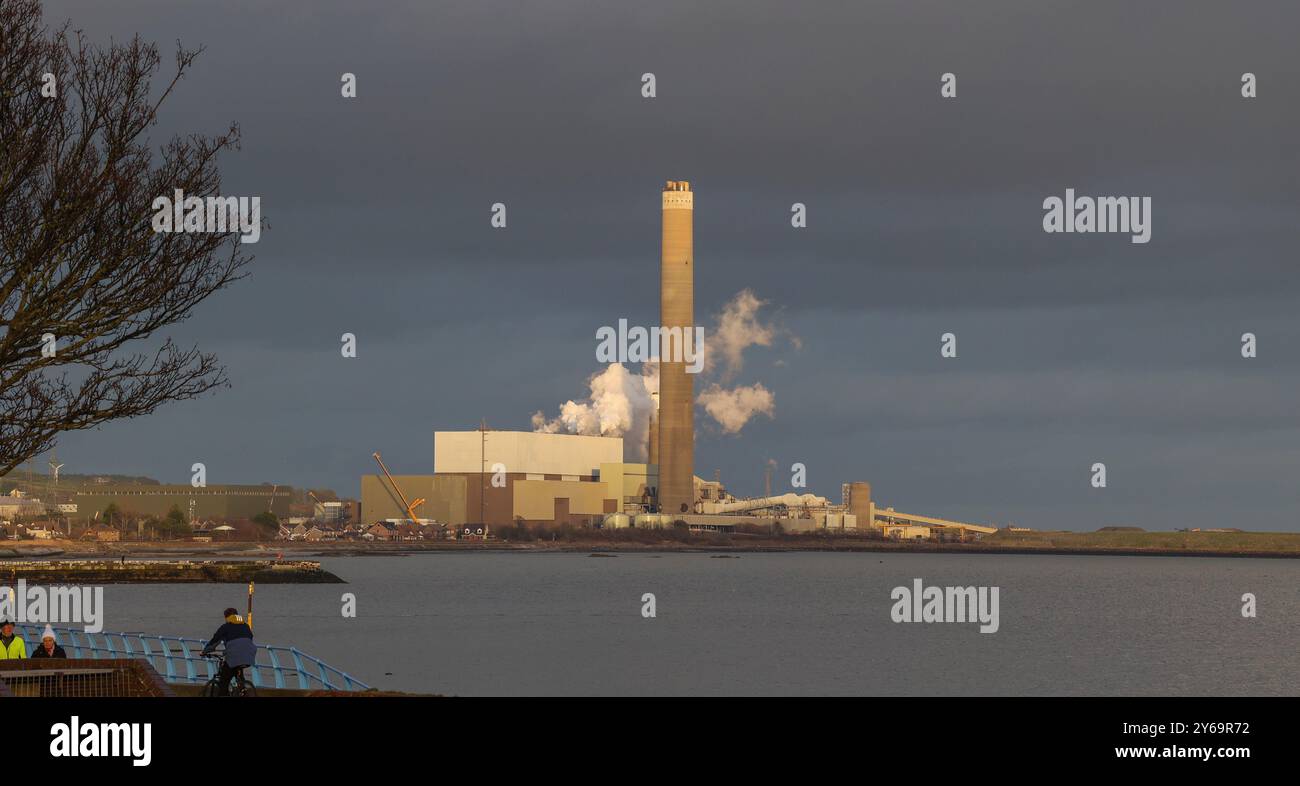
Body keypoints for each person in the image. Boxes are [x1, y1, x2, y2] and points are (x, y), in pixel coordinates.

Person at [201, 607, 256, 695]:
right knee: (238, 672)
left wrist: (204, 651)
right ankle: (242, 688)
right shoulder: (246, 626)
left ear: (226, 617)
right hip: (249, 655)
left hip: (234, 656)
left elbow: (214, 641)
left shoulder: (225, 627)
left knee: (224, 680)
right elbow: (249, 639)